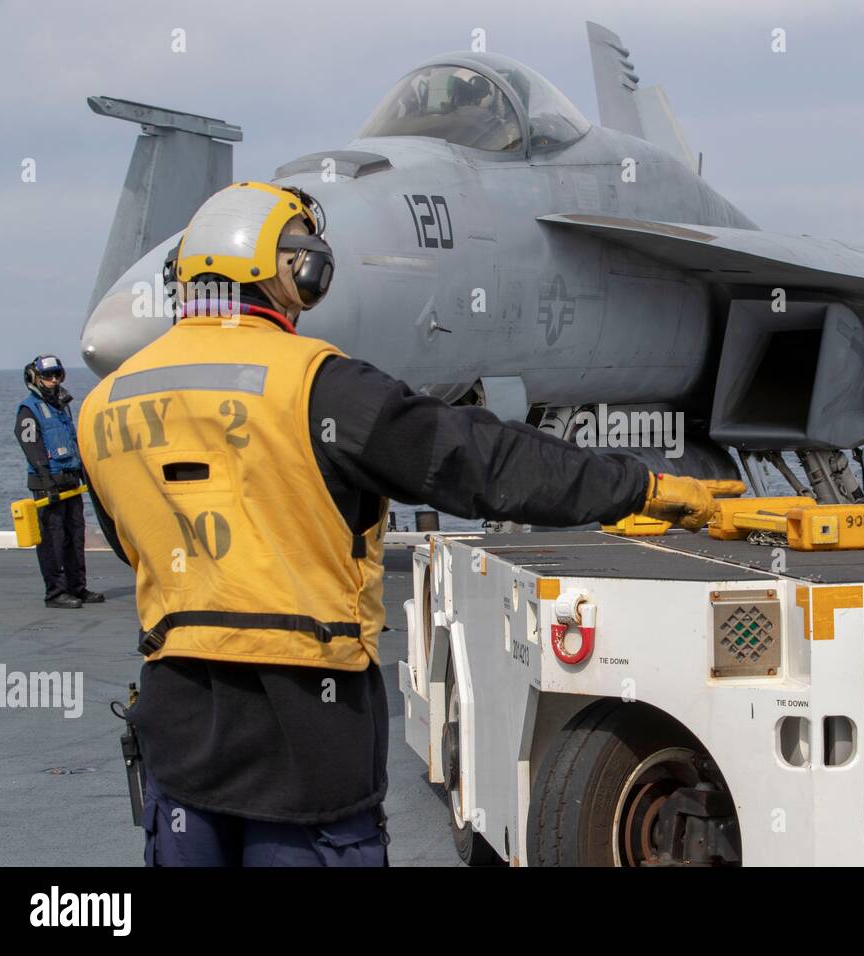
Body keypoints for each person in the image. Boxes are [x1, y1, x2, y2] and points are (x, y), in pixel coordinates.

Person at [77, 181, 739, 867]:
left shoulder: (104, 406)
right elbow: (491, 464)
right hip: (306, 742)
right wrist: (643, 487)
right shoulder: (320, 386)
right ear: (291, 271)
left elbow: (135, 543)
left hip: (178, 737)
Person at [14, 355, 104, 609]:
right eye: (47, 376)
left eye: (57, 375)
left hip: (70, 481)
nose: (53, 380)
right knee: (52, 539)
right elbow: (31, 446)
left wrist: (84, 473)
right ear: (35, 378)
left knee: (75, 536)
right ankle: (55, 593)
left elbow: (73, 442)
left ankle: (77, 586)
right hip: (47, 485)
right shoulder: (29, 409)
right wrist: (46, 481)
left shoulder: (62, 407)